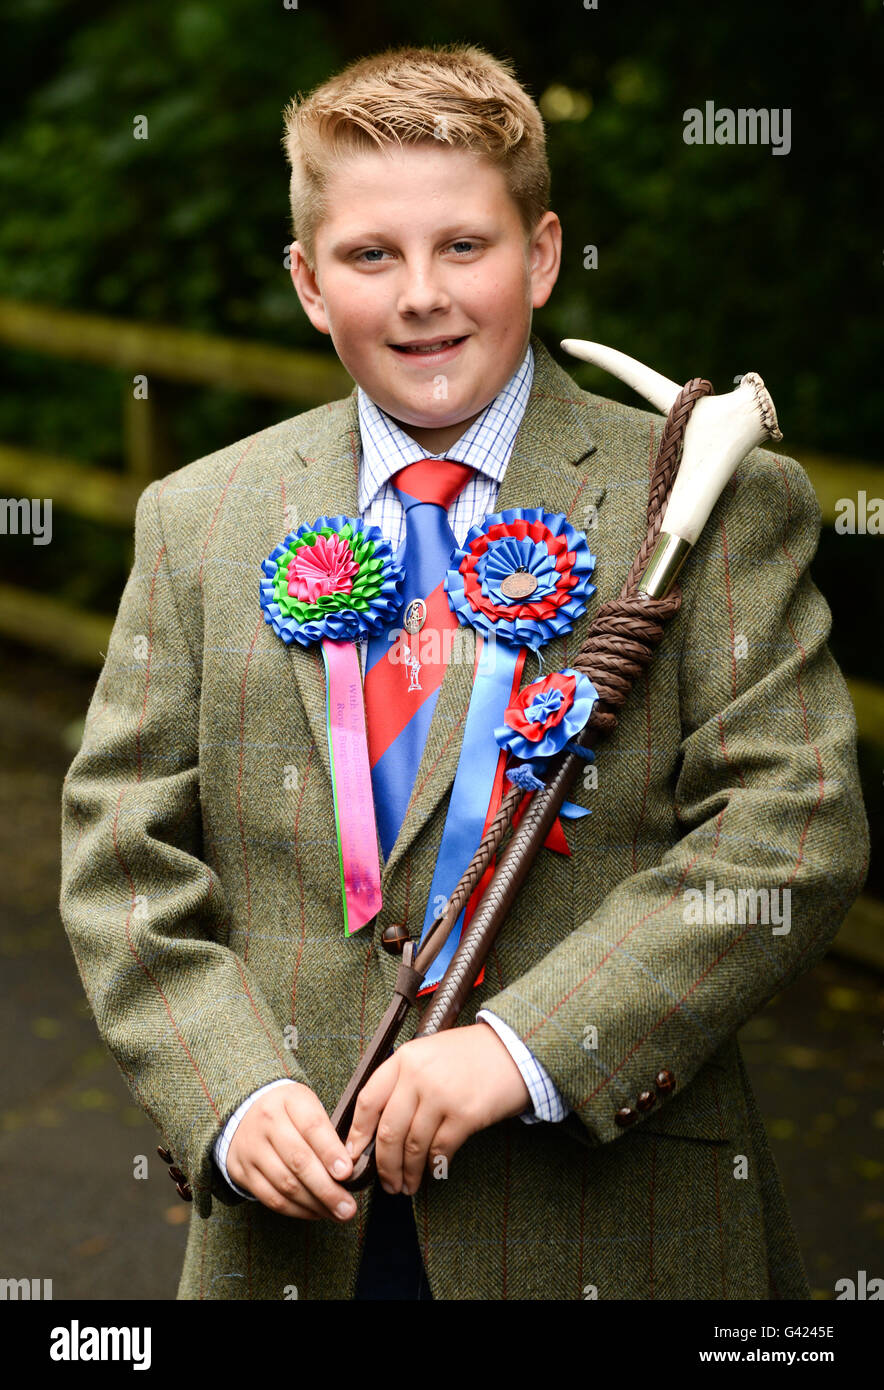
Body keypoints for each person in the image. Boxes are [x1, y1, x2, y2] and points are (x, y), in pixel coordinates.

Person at [59, 42, 868, 1301]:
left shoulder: (710, 503)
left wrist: (523, 1045)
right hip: (294, 1224)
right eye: (370, 256)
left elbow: (789, 828)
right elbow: (120, 852)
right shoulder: (198, 518)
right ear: (307, 282)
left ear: (541, 255)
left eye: (464, 248)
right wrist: (225, 1085)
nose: (421, 294)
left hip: (612, 1217)